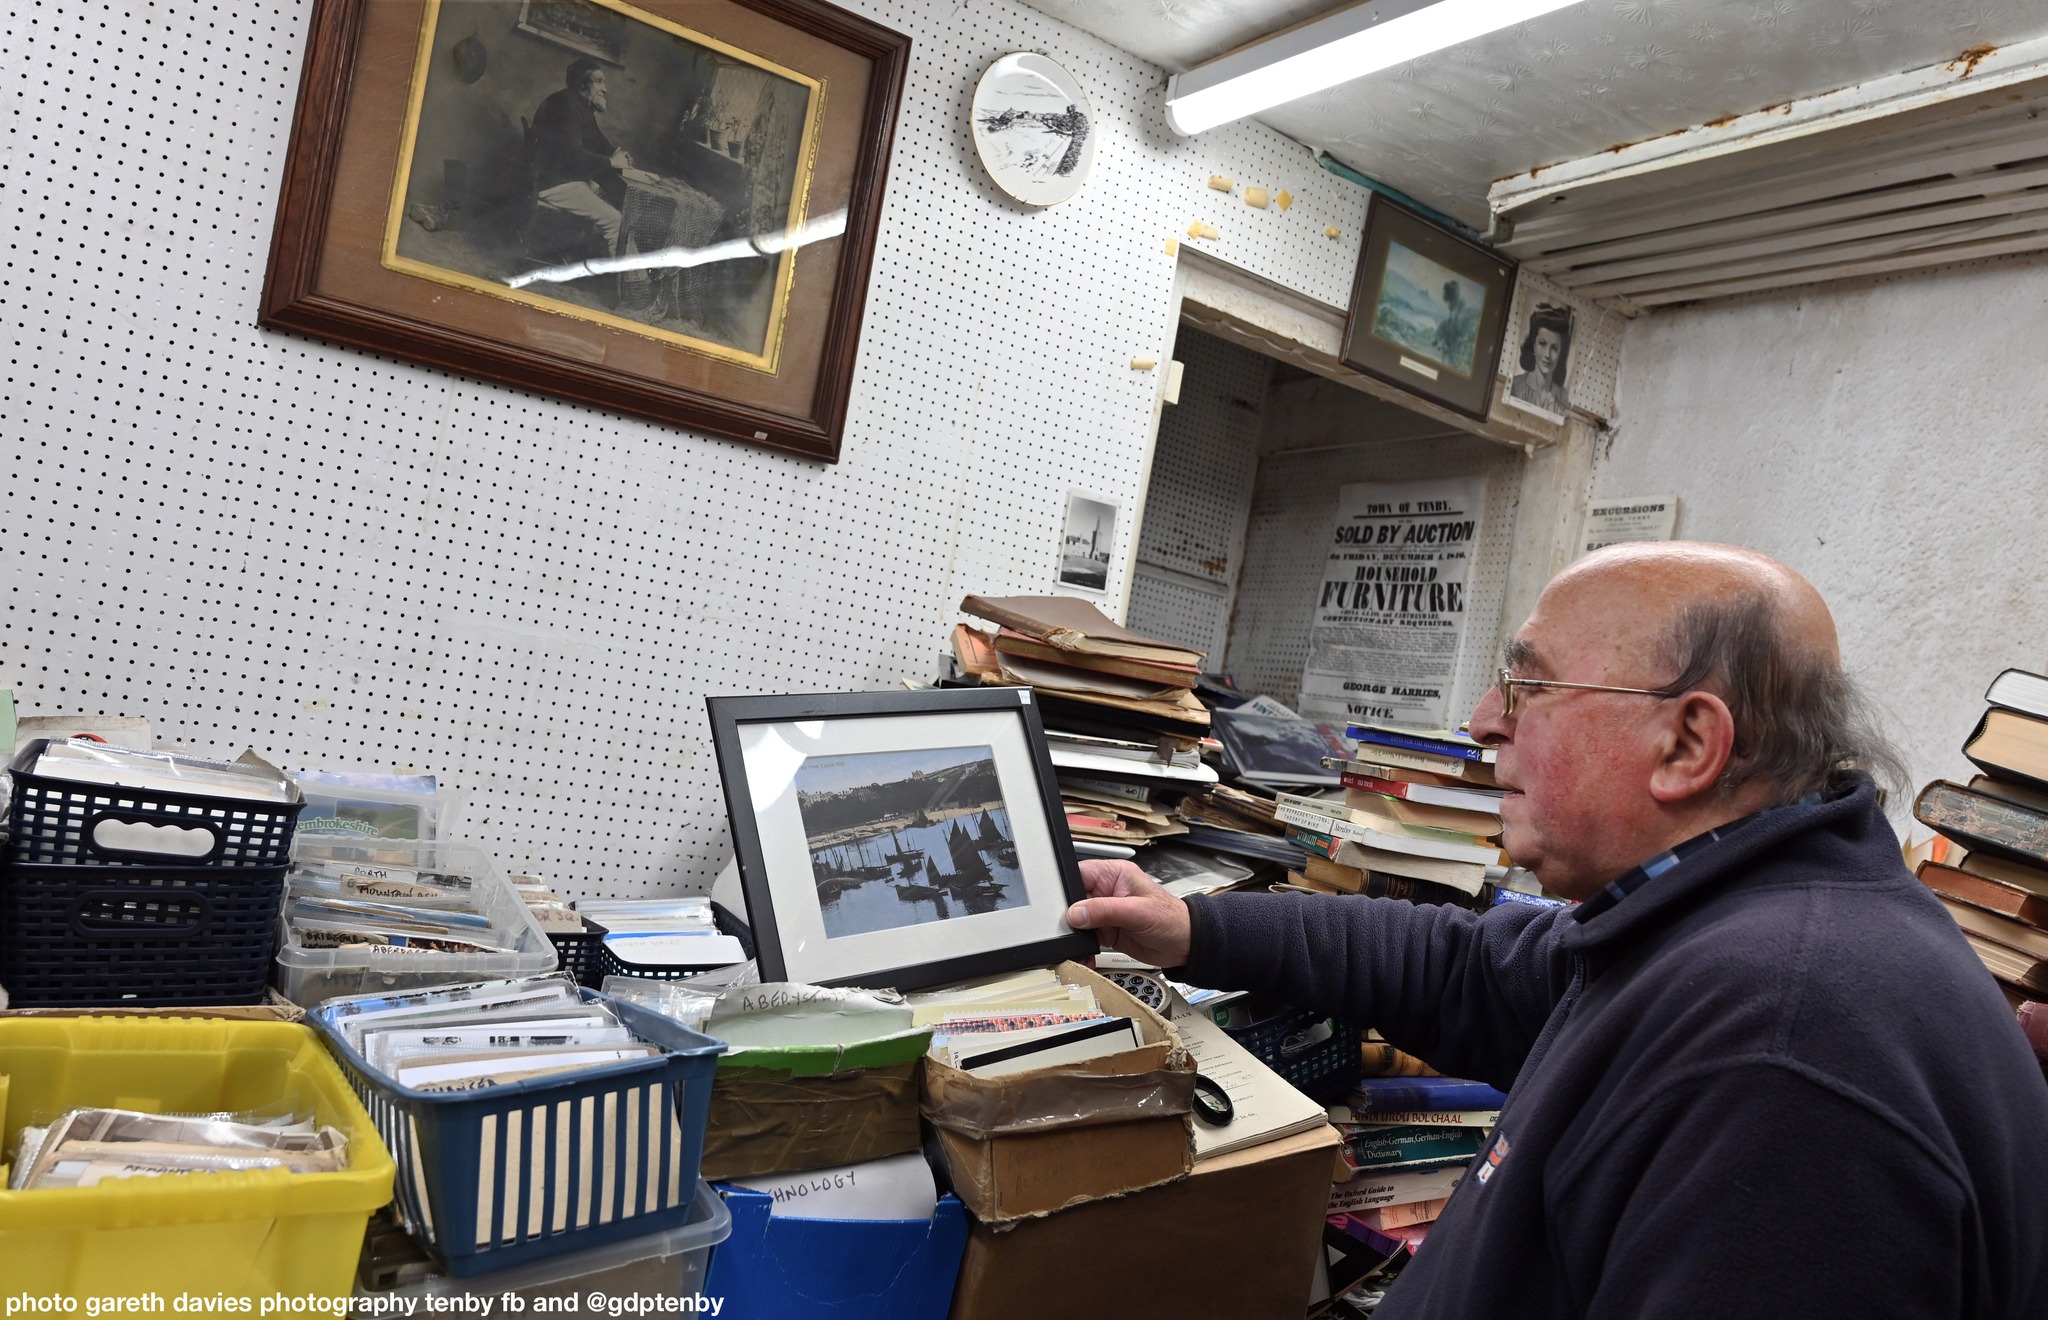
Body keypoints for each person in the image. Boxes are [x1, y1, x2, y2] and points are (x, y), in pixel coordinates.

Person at [1068, 542, 2048, 1318]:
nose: (1482, 719)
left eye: (1527, 686)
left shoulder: (1773, 1048)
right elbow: (1459, 966)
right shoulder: (1719, 929)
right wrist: (1186, 926)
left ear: (1686, 743)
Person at [531, 59, 632, 257]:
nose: (605, 89)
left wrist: (615, 152)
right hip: (554, 184)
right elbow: (573, 157)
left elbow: (596, 140)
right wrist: (612, 162)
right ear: (581, 86)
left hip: (564, 179)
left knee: (618, 197)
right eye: (599, 82)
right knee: (616, 221)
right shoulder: (565, 108)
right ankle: (631, 283)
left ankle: (630, 269)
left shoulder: (578, 103)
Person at [1508, 304, 1571, 416]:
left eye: (1554, 348)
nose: (1547, 354)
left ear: (1561, 353)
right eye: (1542, 344)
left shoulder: (1564, 398)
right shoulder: (1515, 387)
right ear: (1534, 346)